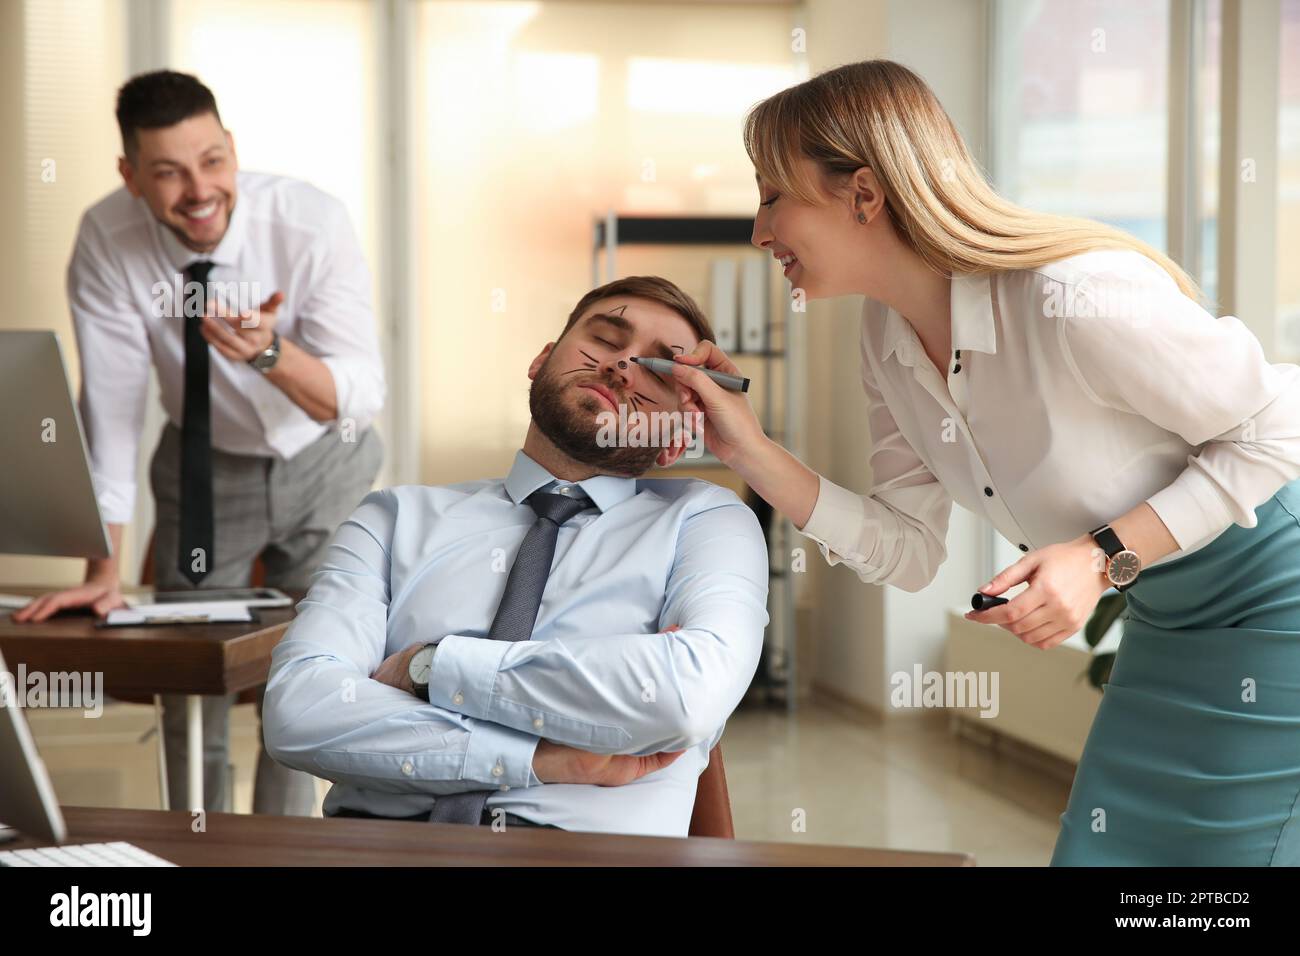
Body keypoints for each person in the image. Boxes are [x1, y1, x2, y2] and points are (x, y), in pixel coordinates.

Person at [666, 59, 1300, 865]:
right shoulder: (885, 336)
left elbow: (1282, 423)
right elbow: (908, 547)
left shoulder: (1071, 296)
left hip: (1279, 608)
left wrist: (1103, 558)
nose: (758, 232)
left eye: (770, 195)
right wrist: (748, 451)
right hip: (1169, 623)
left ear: (863, 193)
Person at [262, 276, 768, 836]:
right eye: (604, 338)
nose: (623, 365)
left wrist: (431, 668)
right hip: (380, 847)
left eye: (658, 369)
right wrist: (543, 758)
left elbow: (685, 696)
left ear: (676, 439)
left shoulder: (705, 522)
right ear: (541, 360)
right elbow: (299, 713)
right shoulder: (392, 518)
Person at [13, 70, 387, 818]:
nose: (199, 189)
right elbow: (111, 407)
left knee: (305, 673)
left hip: (326, 460)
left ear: (232, 149)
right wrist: (103, 567)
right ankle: (194, 847)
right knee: (191, 674)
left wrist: (268, 354)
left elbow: (359, 393)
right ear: (130, 177)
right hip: (201, 469)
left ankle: (285, 850)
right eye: (169, 172)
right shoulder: (107, 237)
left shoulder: (309, 223)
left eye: (212, 161)